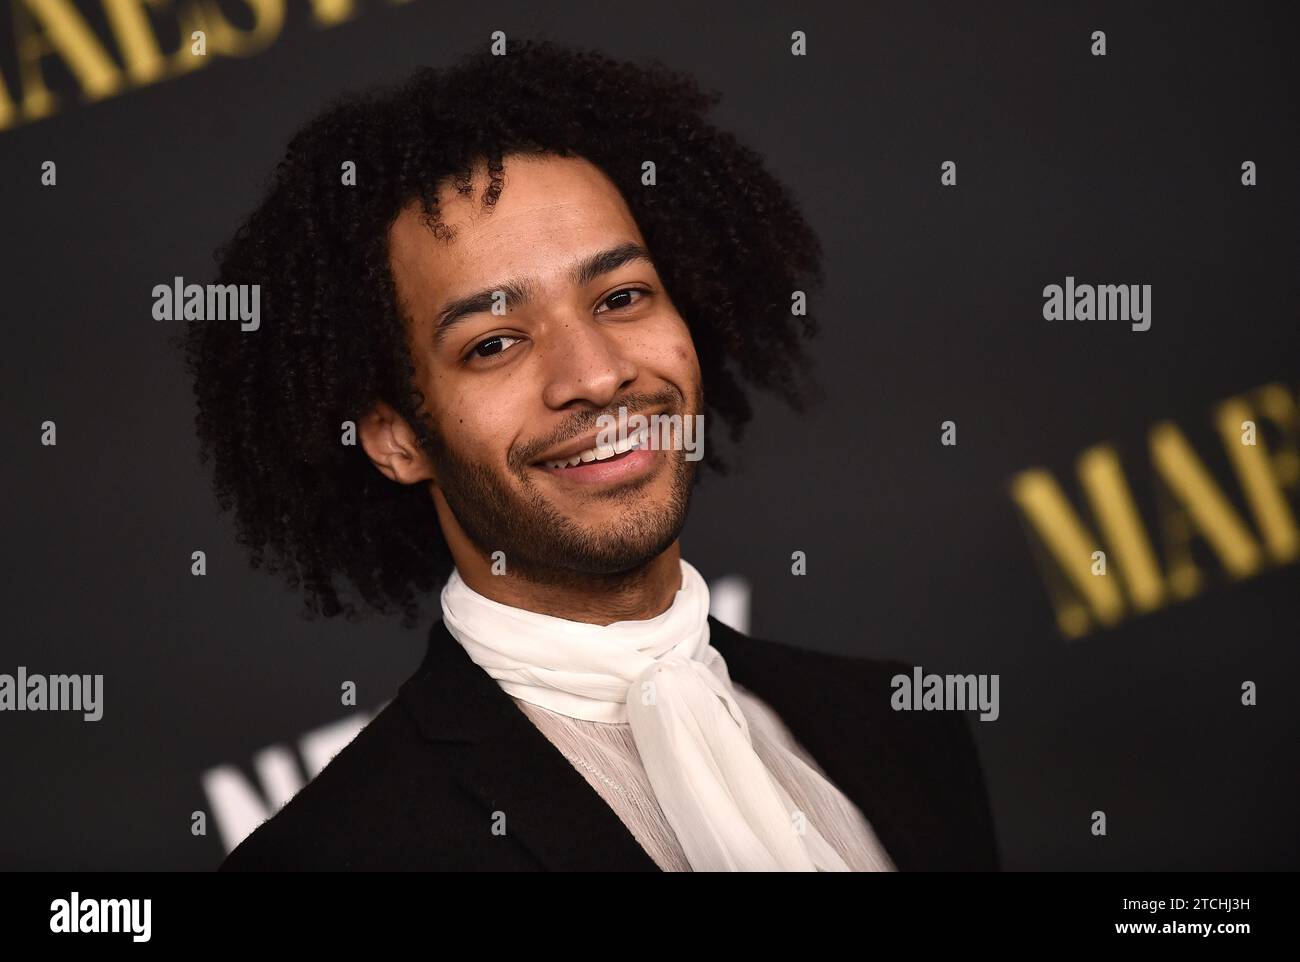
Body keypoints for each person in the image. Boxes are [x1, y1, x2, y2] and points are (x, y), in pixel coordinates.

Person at [187, 38, 998, 871]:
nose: (598, 374)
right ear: (395, 435)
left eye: (620, 297)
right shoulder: (338, 858)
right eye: (495, 343)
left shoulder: (901, 727)